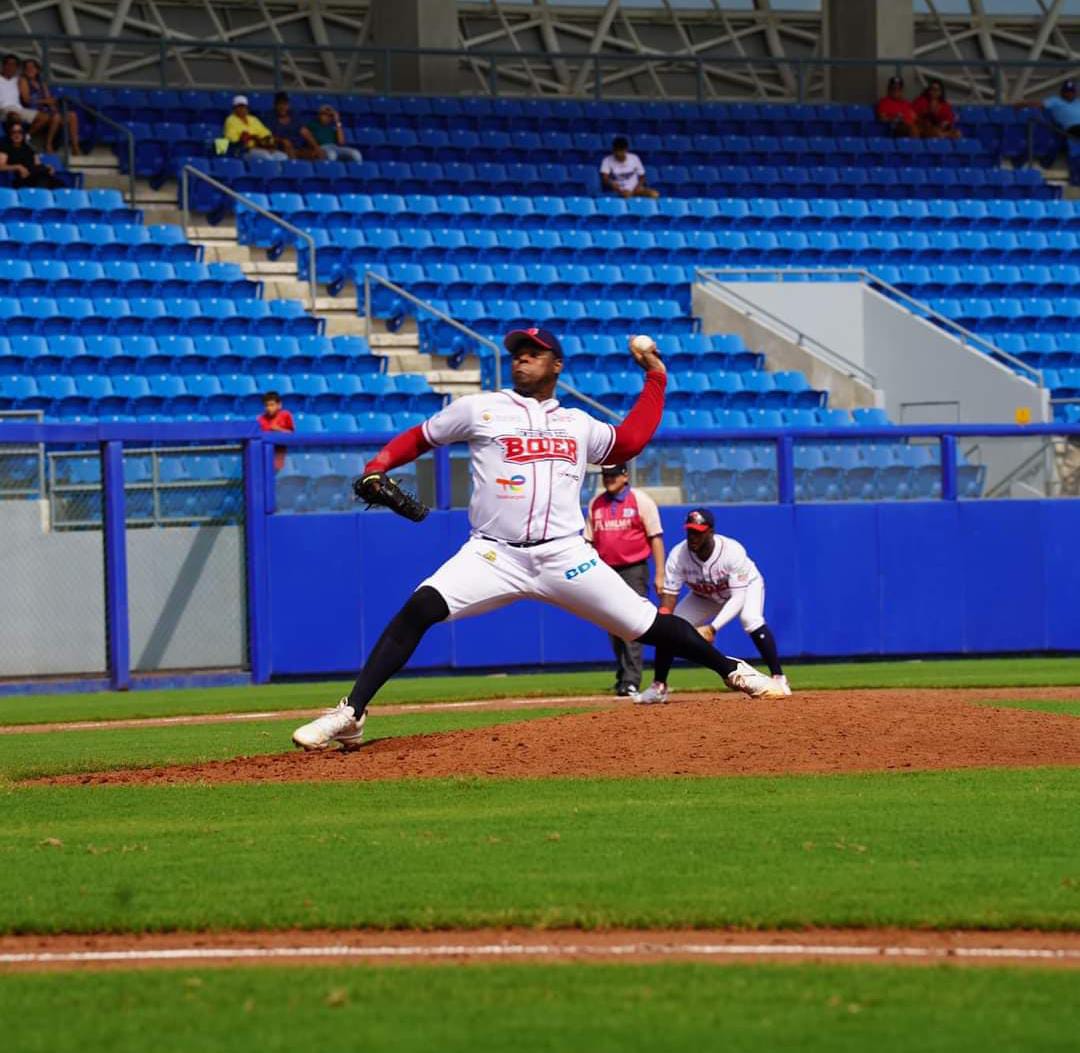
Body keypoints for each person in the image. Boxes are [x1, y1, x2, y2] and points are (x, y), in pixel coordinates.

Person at [292, 329, 785, 750]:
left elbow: (630, 441)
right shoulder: (479, 408)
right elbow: (421, 437)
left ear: (556, 364)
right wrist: (379, 466)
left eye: (533, 352)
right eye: (517, 353)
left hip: (565, 554)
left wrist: (655, 378)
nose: (522, 358)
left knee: (647, 624)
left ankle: (733, 670)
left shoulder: (577, 424)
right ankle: (351, 712)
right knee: (420, 608)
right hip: (492, 553)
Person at [635, 508, 790, 705]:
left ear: (710, 532)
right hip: (705, 595)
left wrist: (712, 628)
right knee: (668, 628)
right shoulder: (678, 555)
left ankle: (778, 677)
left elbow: (737, 598)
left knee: (750, 619)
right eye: (690, 531)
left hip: (745, 587)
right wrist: (662, 618)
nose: (693, 537)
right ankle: (659, 687)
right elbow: (669, 598)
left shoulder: (731, 551)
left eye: (698, 532)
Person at [584, 462, 665, 697]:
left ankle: (631, 680)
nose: (608, 479)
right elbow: (588, 541)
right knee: (612, 625)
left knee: (632, 624)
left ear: (625, 475)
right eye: (605, 475)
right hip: (605, 570)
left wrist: (660, 573)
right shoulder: (596, 503)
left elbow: (655, 537)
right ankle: (622, 677)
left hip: (633, 569)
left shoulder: (640, 500)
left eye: (613, 475)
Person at [19, 58, 79, 155]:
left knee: (72, 116)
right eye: (27, 67)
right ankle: (48, 144)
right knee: (56, 117)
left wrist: (51, 103)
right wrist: (44, 101)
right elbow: (26, 100)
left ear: (37, 69)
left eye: (32, 67)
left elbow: (49, 98)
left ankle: (75, 146)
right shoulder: (23, 80)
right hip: (33, 110)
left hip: (46, 109)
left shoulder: (41, 82)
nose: (30, 69)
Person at [0, 119, 62, 188]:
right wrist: (18, 167)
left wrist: (47, 167)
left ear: (23, 134)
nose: (17, 134)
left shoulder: (28, 148)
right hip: (21, 177)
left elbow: (37, 164)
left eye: (20, 132)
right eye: (13, 132)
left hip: (35, 175)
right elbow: (1, 166)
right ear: (10, 134)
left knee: (57, 183)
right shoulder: (5, 148)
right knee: (43, 177)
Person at [223, 95, 288, 160]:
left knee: (283, 157)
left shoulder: (253, 119)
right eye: (239, 107)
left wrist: (268, 145)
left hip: (261, 148)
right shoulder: (230, 120)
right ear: (234, 108)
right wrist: (251, 138)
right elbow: (233, 140)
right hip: (245, 151)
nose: (242, 109)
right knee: (267, 157)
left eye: (244, 107)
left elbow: (266, 134)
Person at [257, 390, 295, 471]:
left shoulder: (286, 415)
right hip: (265, 453)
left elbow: (292, 434)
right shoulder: (261, 419)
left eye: (272, 405)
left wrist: (279, 429)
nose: (269, 408)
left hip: (281, 452)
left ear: (279, 405)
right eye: (266, 405)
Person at [267, 92, 309, 160]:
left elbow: (305, 132)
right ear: (275, 105)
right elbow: (267, 136)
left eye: (285, 104)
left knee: (317, 153)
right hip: (280, 147)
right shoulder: (269, 117)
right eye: (280, 104)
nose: (282, 107)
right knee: (287, 144)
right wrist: (282, 140)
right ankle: (294, 167)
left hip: (297, 146)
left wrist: (317, 148)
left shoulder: (293, 114)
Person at [0, 54, 36, 128]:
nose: (11, 67)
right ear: (3, 66)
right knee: (14, 117)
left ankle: (26, 136)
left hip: (18, 109)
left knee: (44, 118)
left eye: (14, 65)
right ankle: (15, 136)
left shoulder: (18, 80)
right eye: (8, 64)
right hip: (2, 110)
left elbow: (26, 98)